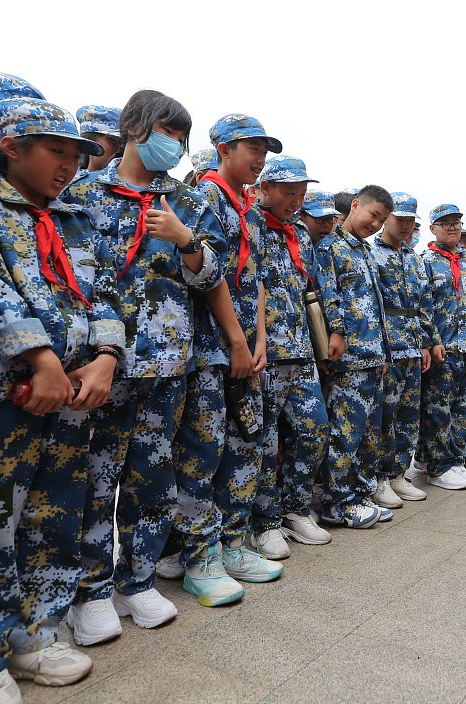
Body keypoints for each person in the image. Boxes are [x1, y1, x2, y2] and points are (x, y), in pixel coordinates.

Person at [0, 98, 123, 700]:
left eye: (77, 155)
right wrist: (41, 358)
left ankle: (35, 634)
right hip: (3, 392)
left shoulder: (74, 219)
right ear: (13, 147)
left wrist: (106, 358)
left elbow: (100, 293)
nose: (69, 165)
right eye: (56, 152)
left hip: (73, 393)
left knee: (56, 514)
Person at [63, 90, 225, 642]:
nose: (175, 145)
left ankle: (137, 580)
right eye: (167, 132)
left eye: (182, 138)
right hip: (103, 366)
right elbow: (75, 280)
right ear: (134, 127)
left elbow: (210, 280)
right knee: (95, 479)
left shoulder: (187, 202)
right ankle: (89, 592)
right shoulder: (83, 193)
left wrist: (187, 241)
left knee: (151, 478)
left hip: (168, 365)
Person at [181, 113, 283, 584]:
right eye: (252, 149)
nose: (260, 159)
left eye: (264, 151)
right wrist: (238, 342)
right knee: (204, 453)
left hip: (246, 348)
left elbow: (257, 278)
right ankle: (200, 557)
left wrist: (259, 341)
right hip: (211, 348)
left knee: (246, 447)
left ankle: (234, 543)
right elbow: (207, 276)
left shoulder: (250, 209)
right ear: (223, 148)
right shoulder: (203, 197)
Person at [253, 155, 334, 552]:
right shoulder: (248, 224)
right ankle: (265, 521)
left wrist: (321, 341)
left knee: (315, 427)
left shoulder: (298, 234)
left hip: (300, 351)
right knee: (265, 440)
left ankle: (295, 508)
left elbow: (308, 290)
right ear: (266, 188)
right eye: (289, 192)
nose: (295, 201)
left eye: (301, 194)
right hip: (265, 354)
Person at [315, 185, 395, 527]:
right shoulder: (332, 246)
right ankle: (337, 501)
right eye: (372, 215)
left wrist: (384, 351)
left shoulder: (364, 251)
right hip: (349, 357)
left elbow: (376, 308)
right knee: (344, 433)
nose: (376, 224)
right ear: (356, 205)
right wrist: (336, 332)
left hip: (372, 355)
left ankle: (359, 493)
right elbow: (329, 293)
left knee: (366, 434)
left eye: (382, 220)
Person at [414, 204, 466, 490]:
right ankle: (437, 465)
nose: (453, 228)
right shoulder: (425, 261)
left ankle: (456, 461)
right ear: (433, 228)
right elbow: (423, 306)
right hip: (443, 348)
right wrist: (432, 341)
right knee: (438, 409)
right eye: (445, 223)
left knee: (462, 407)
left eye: (457, 223)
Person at [371, 192, 436, 504]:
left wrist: (425, 343)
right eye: (401, 219)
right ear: (387, 219)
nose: (407, 225)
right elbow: (372, 305)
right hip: (388, 345)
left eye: (411, 220)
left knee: (409, 415)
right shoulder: (373, 254)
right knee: (386, 415)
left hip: (412, 345)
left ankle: (399, 474)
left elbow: (423, 305)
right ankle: (380, 477)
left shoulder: (413, 257)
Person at [75, 104, 123, 172]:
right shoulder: (68, 178)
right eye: (114, 141)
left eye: (124, 142)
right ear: (90, 141)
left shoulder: (133, 180)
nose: (120, 148)